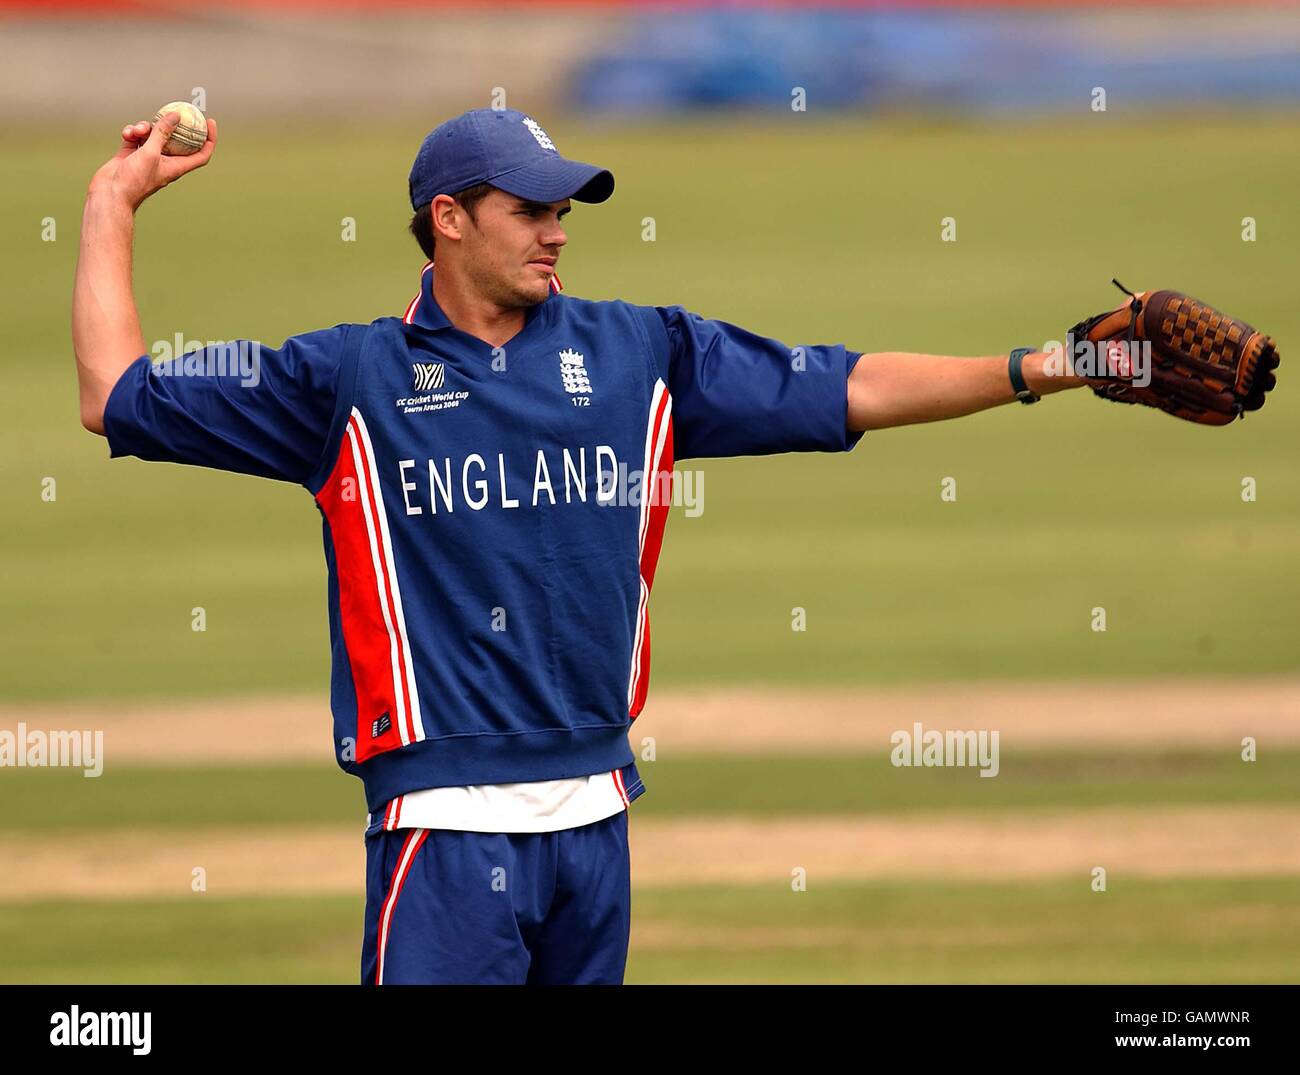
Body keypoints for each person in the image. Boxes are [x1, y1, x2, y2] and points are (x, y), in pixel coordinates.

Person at [72, 107, 1086, 985]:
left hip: (597, 818)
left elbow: (851, 384)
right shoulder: (347, 378)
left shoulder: (640, 351)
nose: (556, 232)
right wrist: (112, 206)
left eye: (563, 211)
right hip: (446, 826)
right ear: (449, 218)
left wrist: (1049, 365)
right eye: (530, 210)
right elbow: (114, 397)